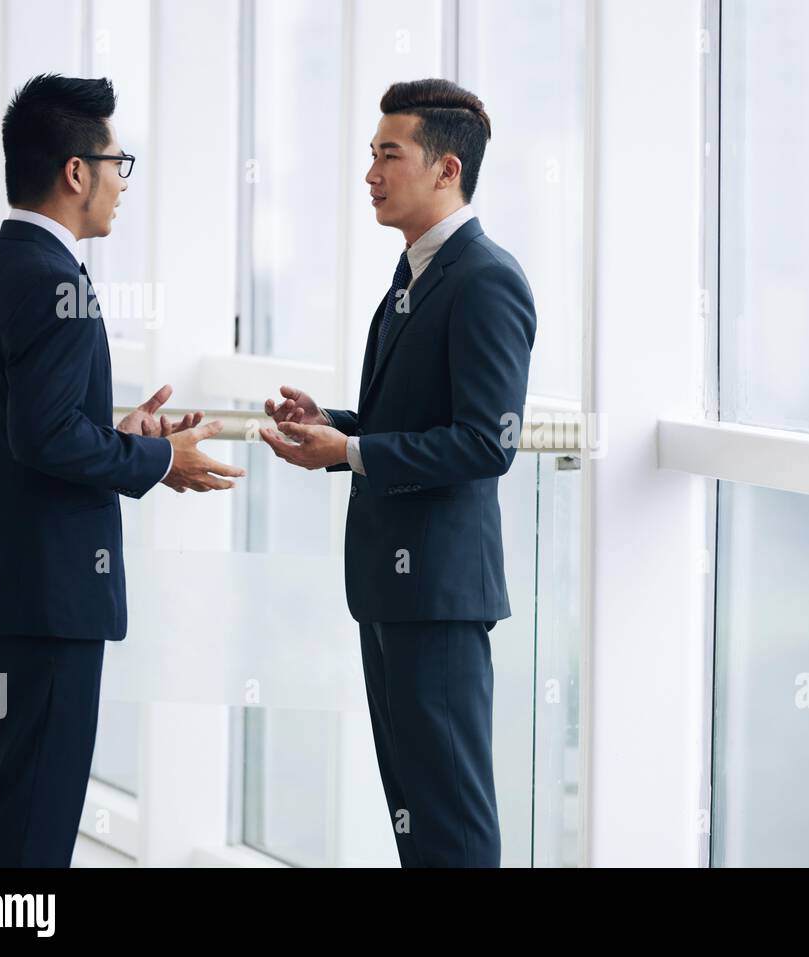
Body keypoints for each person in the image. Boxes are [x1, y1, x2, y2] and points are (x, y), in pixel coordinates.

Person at [0, 73, 244, 867]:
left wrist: (110, 430)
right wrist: (157, 456)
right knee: (34, 825)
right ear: (76, 171)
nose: (121, 184)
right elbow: (42, 440)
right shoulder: (57, 285)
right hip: (49, 602)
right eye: (118, 162)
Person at [261, 78, 537, 867]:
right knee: (416, 807)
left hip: (440, 595)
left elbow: (488, 443)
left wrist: (350, 452)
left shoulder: (486, 279)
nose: (371, 174)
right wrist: (335, 424)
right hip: (394, 587)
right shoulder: (413, 273)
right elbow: (416, 421)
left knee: (448, 815)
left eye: (389, 155)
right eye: (370, 155)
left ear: (446, 169)